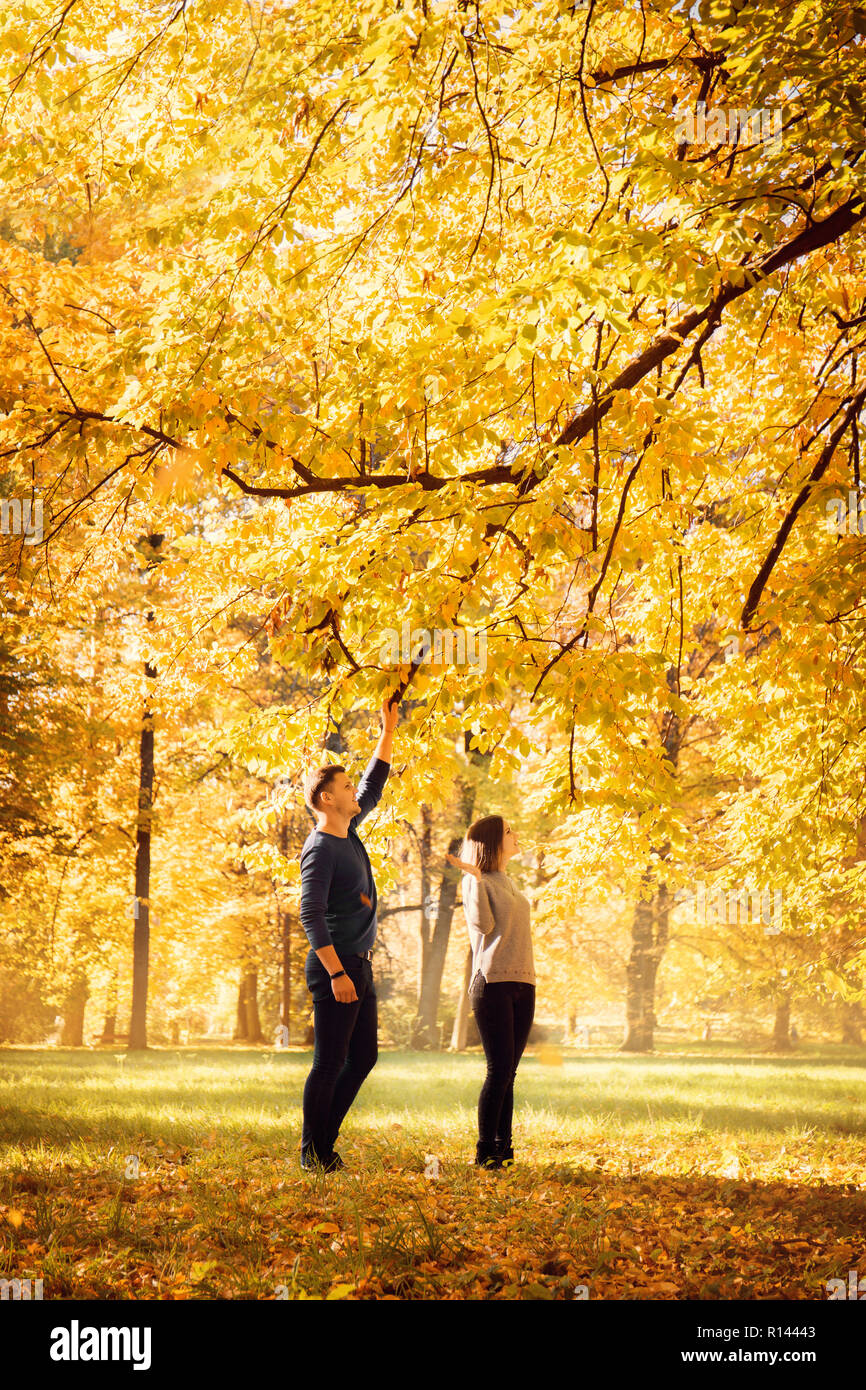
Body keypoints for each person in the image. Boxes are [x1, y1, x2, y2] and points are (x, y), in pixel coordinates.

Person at [298, 697, 399, 1172]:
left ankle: (322, 1145)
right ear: (327, 799)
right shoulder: (320, 848)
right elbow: (310, 914)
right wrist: (338, 972)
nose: (352, 789)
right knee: (328, 1062)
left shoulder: (349, 830)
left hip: (359, 963)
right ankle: (312, 1154)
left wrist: (388, 728)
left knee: (363, 1058)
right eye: (343, 784)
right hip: (336, 965)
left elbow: (372, 784)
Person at [447, 814, 535, 1169]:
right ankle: (486, 1153)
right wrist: (476, 880)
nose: (515, 835)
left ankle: (504, 1150)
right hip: (492, 982)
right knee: (498, 1071)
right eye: (509, 831)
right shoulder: (478, 882)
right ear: (493, 842)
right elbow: (483, 926)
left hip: (523, 982)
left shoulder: (509, 881)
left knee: (509, 1073)